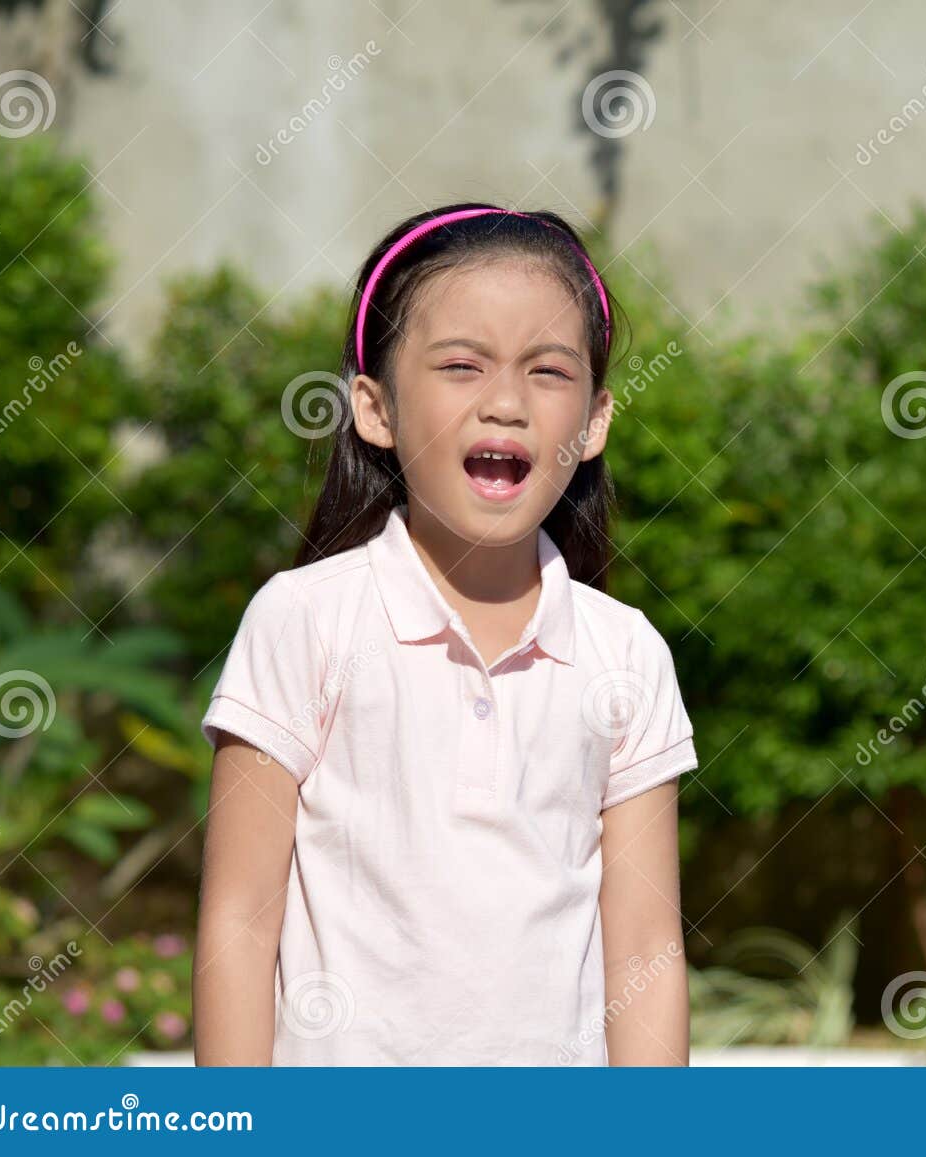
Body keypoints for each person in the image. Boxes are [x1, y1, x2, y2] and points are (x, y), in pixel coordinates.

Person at [193, 204, 696, 1065]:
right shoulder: (304, 620)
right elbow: (239, 922)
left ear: (597, 420)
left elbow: (645, 948)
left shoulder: (628, 653)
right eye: (461, 365)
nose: (505, 401)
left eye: (548, 370)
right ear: (375, 407)